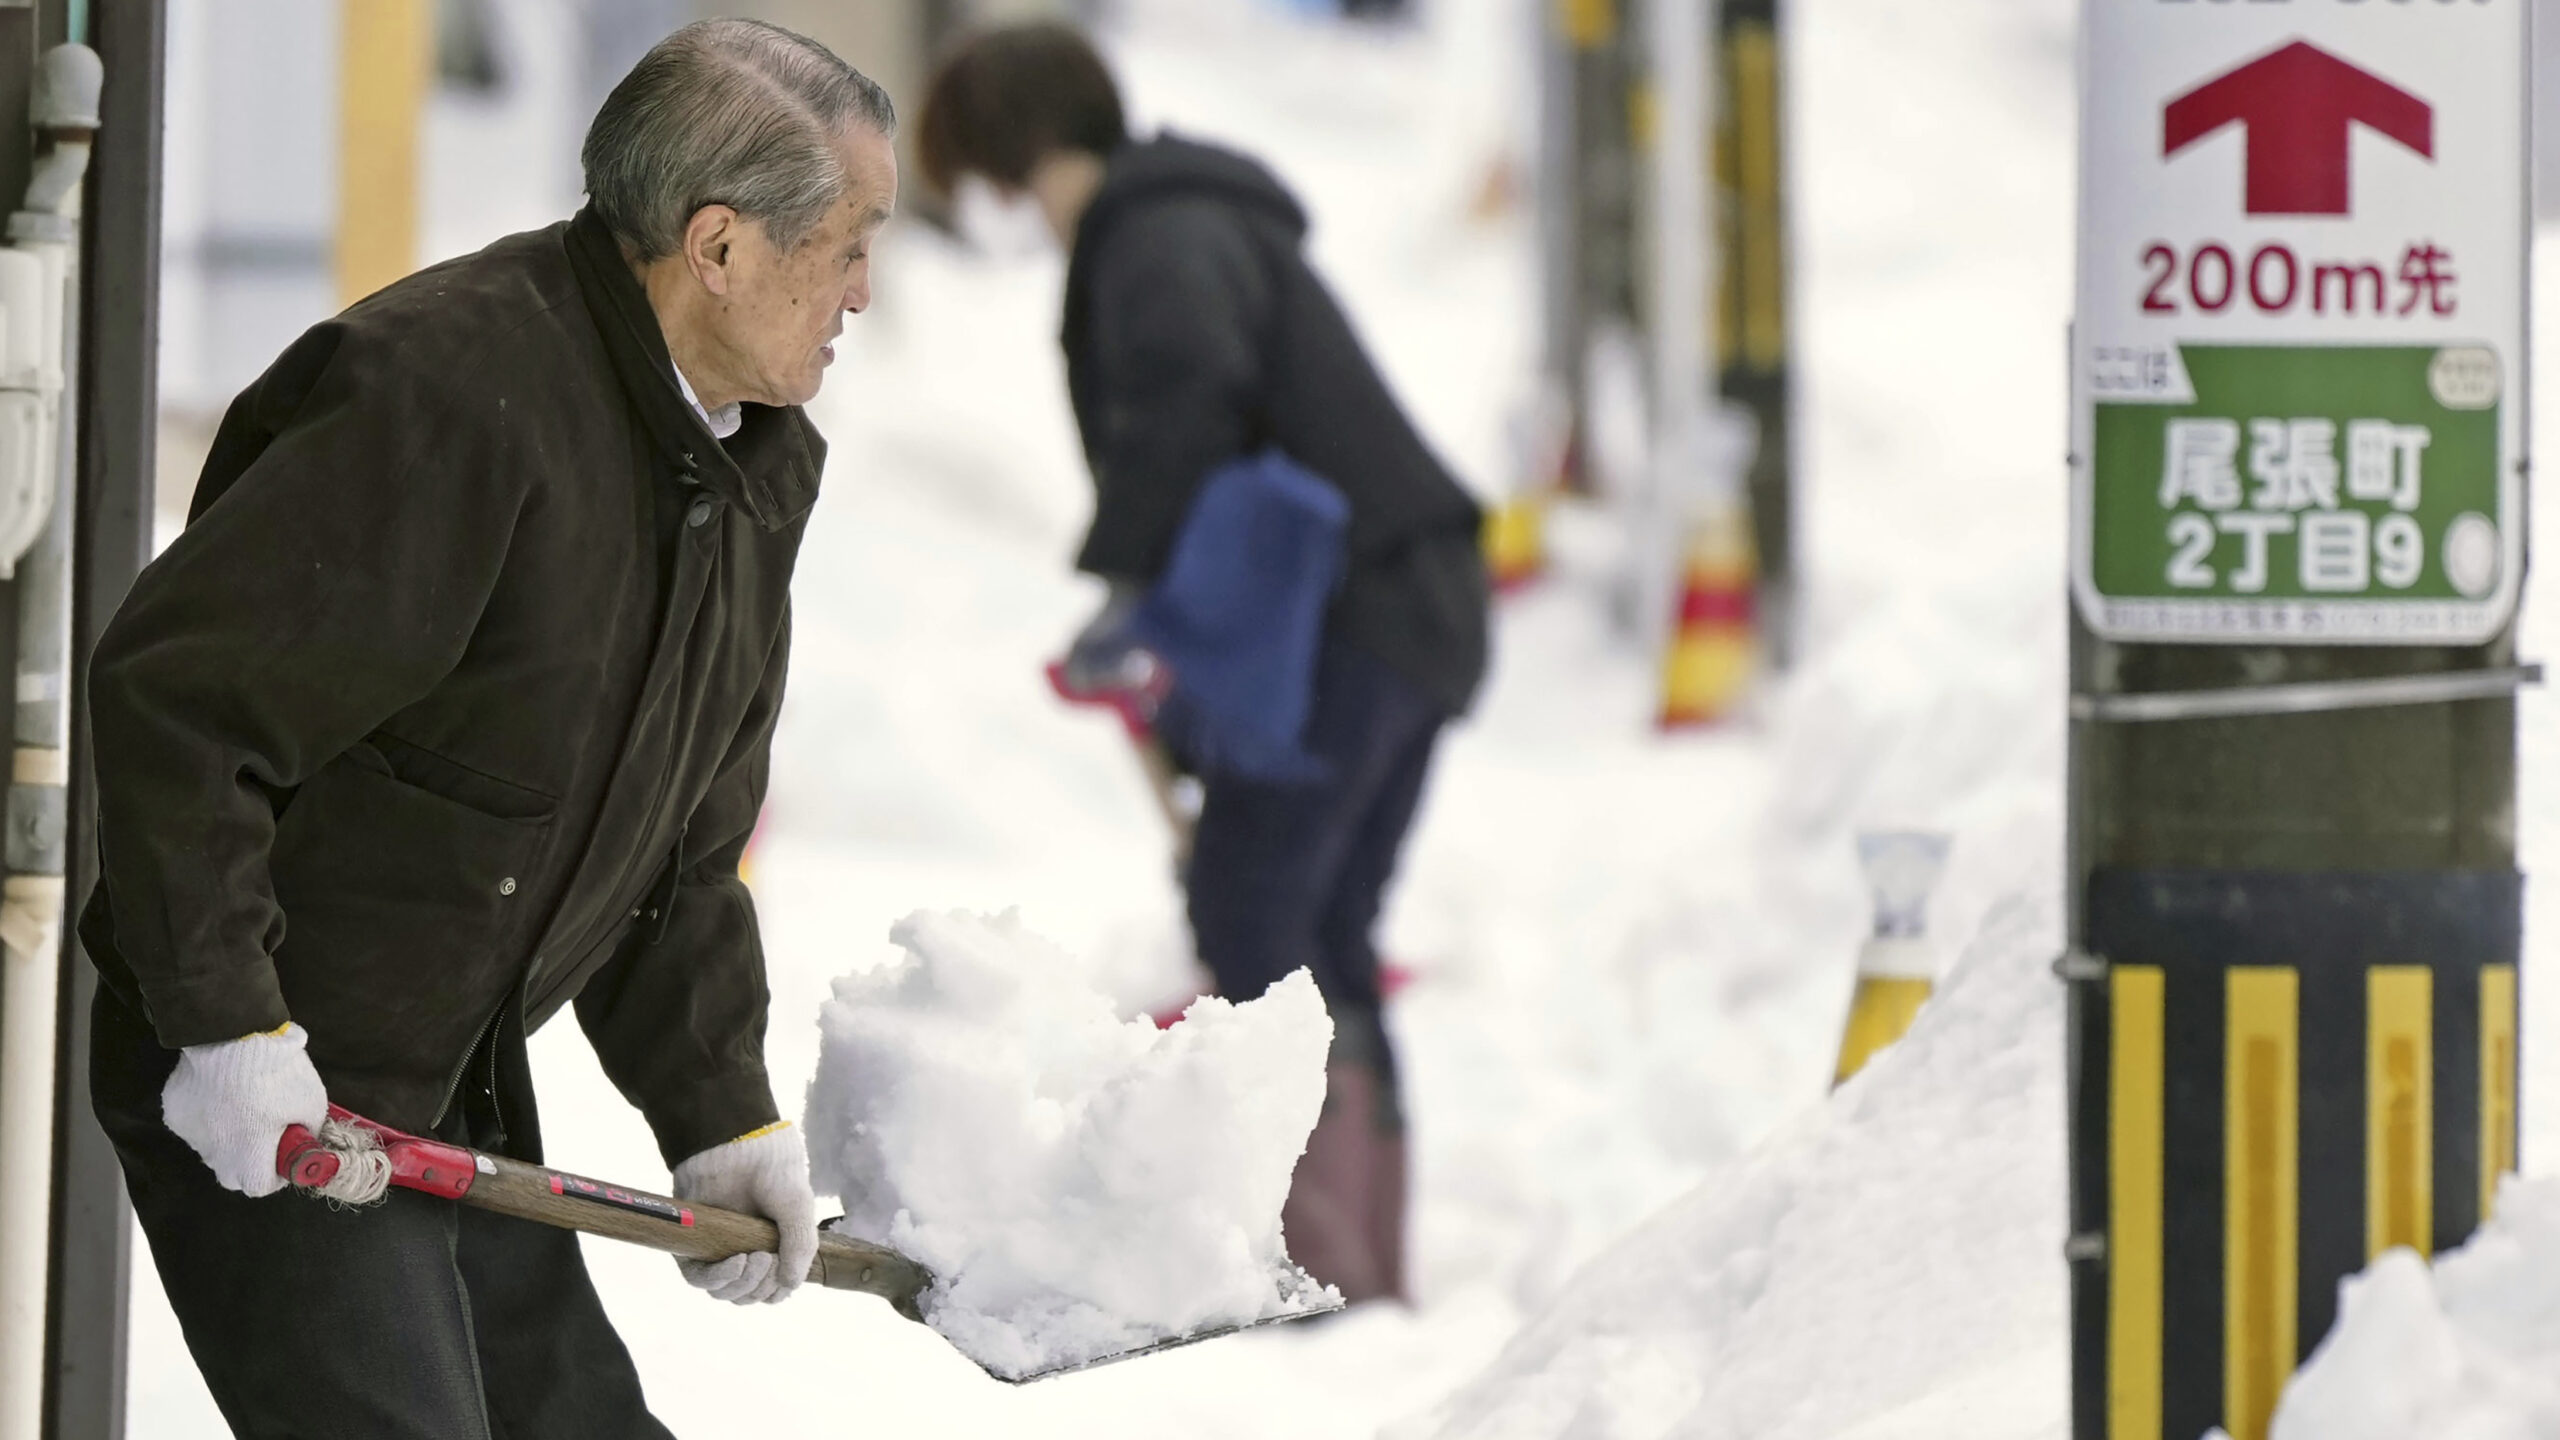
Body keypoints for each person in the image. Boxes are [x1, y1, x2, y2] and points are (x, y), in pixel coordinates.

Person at [79, 21, 895, 1436]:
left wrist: (720, 1113)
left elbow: (682, 857)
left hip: (448, 1079)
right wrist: (224, 1027)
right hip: (282, 1082)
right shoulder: (449, 398)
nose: (866, 292)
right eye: (848, 243)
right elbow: (184, 704)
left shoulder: (750, 464)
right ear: (717, 246)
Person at [917, 21, 1491, 1305]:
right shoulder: (1177, 219)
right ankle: (1354, 1269)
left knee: (1257, 913)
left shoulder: (1156, 233)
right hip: (1398, 602)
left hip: (1363, 610)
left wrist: (1128, 588)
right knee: (1312, 920)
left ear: (1012, 155)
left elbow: (1186, 391)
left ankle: (1319, 1264)